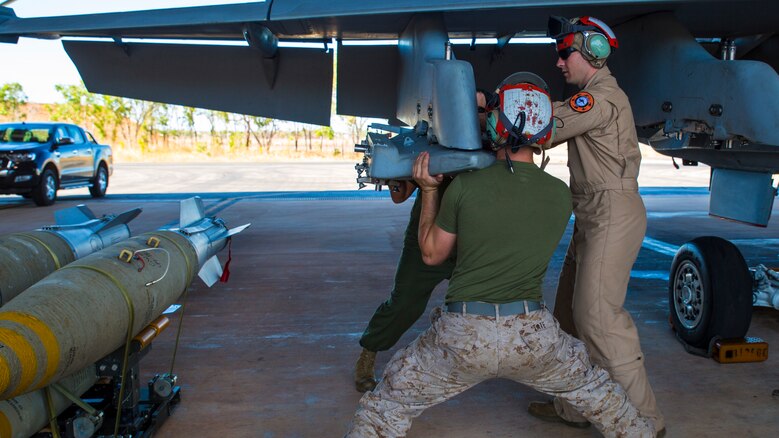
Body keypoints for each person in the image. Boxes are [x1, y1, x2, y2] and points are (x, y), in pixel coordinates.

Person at [346, 74, 654, 438]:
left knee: (384, 411)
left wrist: (430, 190)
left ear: (495, 123)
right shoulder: (559, 195)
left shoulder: (464, 186)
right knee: (604, 396)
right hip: (533, 335)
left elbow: (433, 252)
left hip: (463, 332)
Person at [527, 16, 665, 435]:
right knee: (569, 318)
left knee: (598, 319)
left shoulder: (600, 99)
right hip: (591, 213)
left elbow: (548, 129)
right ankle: (575, 409)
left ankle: (645, 421)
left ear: (592, 52)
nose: (559, 63)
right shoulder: (588, 96)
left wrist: (496, 112)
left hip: (611, 213)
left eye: (564, 53)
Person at [354, 90, 491, 392]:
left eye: (482, 111)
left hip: (472, 244)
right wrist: (395, 172)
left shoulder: (496, 148)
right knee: (403, 305)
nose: (477, 117)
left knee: (486, 305)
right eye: (471, 111)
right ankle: (369, 351)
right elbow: (399, 196)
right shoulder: (432, 144)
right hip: (427, 237)